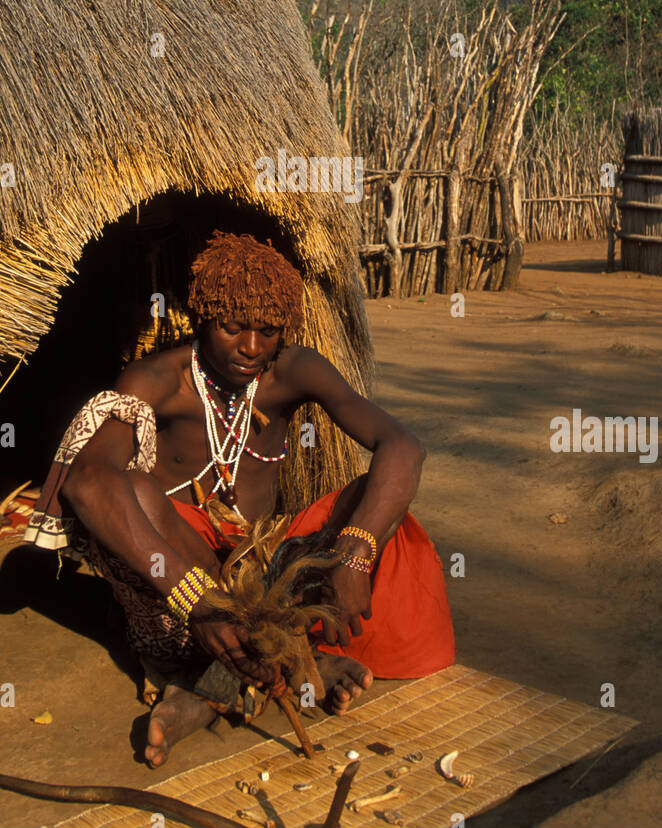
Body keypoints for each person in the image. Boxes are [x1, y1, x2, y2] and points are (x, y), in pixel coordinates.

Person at [25, 231, 455, 767]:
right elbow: (87, 480)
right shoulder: (157, 379)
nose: (251, 347)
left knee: (379, 501)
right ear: (202, 316)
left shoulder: (293, 371)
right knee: (131, 491)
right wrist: (198, 602)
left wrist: (354, 552)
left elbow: (402, 446)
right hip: (188, 569)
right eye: (231, 328)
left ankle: (218, 685)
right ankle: (290, 658)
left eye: (267, 331)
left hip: (270, 568)